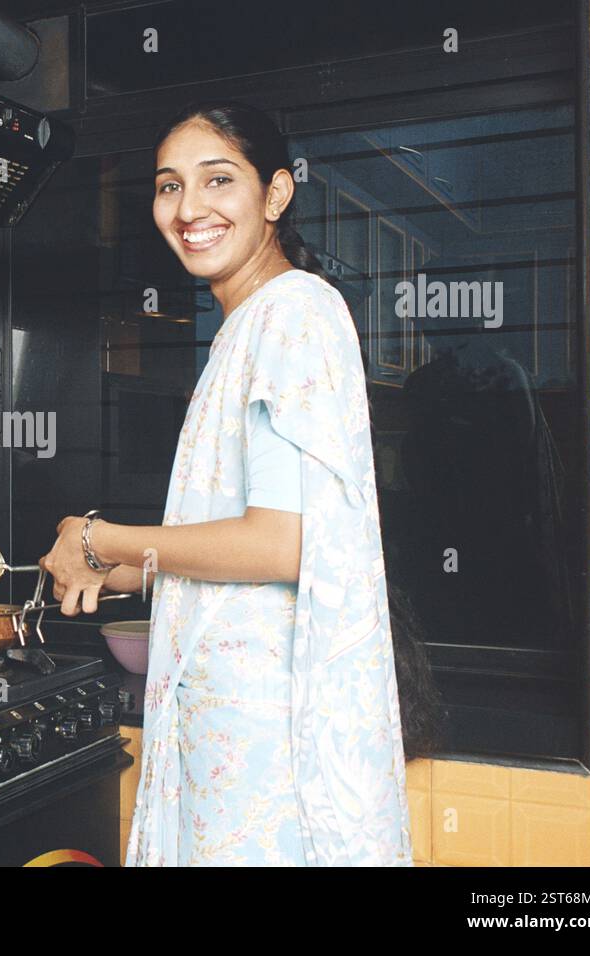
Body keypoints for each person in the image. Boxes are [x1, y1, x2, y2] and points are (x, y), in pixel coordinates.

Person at [38, 101, 418, 866]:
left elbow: (282, 544)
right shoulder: (247, 327)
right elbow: (237, 545)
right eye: (168, 186)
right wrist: (118, 573)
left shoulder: (292, 314)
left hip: (264, 748)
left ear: (276, 195)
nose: (189, 209)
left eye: (218, 180)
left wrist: (94, 534)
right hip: (231, 737)